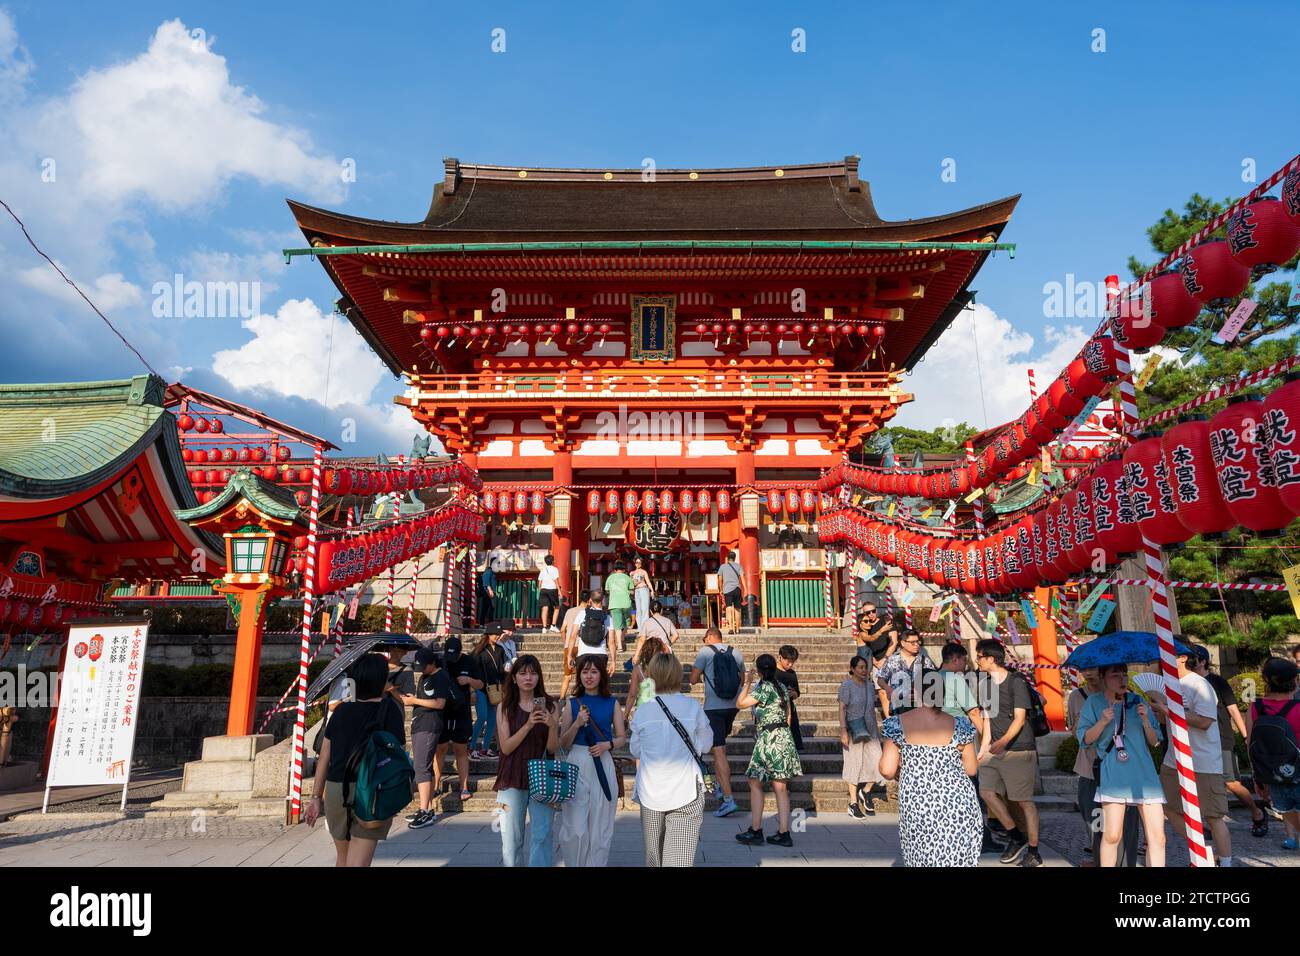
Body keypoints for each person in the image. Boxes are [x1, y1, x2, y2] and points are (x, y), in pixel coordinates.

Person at [306, 653, 406, 867]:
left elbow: (325, 756)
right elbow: (397, 752)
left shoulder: (342, 711)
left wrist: (315, 797)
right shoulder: (389, 710)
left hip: (335, 789)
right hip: (370, 790)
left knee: (343, 859)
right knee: (358, 862)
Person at [878, 670, 982, 867]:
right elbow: (971, 770)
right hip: (958, 802)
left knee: (921, 857)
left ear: (916, 692)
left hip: (919, 803)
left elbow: (887, 770)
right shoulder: (960, 724)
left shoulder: (897, 724)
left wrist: (907, 770)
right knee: (956, 858)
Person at [1148, 647, 1233, 866]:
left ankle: (1225, 862)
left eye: (1167, 654)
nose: (1161, 660)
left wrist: (1169, 711)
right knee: (1166, 805)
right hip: (1172, 759)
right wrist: (1158, 711)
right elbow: (1166, 723)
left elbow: (1205, 722)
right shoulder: (1167, 684)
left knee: (1213, 815)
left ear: (1183, 657)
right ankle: (1204, 851)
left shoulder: (1199, 684)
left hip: (1202, 760)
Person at [630, 653, 714, 867]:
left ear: (652, 676)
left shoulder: (643, 710)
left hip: (651, 791)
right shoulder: (693, 707)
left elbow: (635, 749)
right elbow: (705, 745)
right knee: (679, 861)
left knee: (654, 858)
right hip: (686, 789)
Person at [1078, 664, 1165, 867]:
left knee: (1158, 837)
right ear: (1103, 678)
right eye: (1115, 675)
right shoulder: (1094, 702)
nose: (1122, 679)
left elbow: (1155, 741)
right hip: (1114, 774)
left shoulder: (1137, 701)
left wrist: (1145, 720)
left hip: (1144, 775)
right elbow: (1084, 740)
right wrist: (1101, 722)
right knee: (1112, 836)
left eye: (1124, 674)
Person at [973, 639, 1042, 867]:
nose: (977, 660)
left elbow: (1020, 718)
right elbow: (988, 718)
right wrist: (984, 748)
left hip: (1019, 749)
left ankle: (1033, 851)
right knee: (986, 792)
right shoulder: (985, 683)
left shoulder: (1016, 682)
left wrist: (1003, 741)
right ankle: (1015, 836)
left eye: (980, 656)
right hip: (995, 748)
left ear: (991, 659)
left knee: (1023, 801)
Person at [1065, 667, 1142, 865]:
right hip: (1091, 771)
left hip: (1122, 773)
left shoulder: (1131, 699)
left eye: (1092, 669)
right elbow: (1078, 734)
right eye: (1084, 669)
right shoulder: (1078, 697)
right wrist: (1088, 726)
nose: (1087, 673)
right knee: (1097, 827)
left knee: (1127, 830)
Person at [1190, 645, 1267, 836]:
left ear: (1203, 661)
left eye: (1194, 658)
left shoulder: (1218, 682)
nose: (1191, 662)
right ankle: (1206, 824)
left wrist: (1245, 736)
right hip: (1197, 740)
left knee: (1230, 782)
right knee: (1197, 782)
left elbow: (1233, 709)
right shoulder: (1187, 683)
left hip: (1222, 738)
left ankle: (1257, 812)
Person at [557, 656, 627, 867]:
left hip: (602, 761)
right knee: (575, 827)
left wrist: (608, 745)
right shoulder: (571, 704)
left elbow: (622, 737)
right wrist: (577, 724)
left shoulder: (612, 702)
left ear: (601, 675)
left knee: (600, 826)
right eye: (585, 672)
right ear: (578, 675)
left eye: (594, 671)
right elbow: (563, 742)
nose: (589, 676)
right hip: (577, 760)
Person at [493, 653, 561, 867]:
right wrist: (529, 725)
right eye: (522, 673)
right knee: (511, 841)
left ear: (539, 678)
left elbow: (552, 748)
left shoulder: (550, 706)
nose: (528, 678)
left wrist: (551, 726)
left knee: (542, 836)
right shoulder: (504, 707)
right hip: (511, 778)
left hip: (542, 779)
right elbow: (506, 747)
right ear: (514, 678)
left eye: (533, 673)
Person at [735, 655, 803, 847]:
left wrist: (747, 683)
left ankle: (756, 830)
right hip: (784, 737)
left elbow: (740, 703)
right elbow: (788, 716)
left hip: (769, 738)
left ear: (759, 671)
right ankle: (784, 832)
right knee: (781, 788)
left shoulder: (764, 688)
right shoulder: (781, 687)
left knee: (755, 782)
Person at [939, 642, 999, 852]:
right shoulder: (956, 680)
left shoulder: (930, 679)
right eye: (964, 660)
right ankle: (979, 838)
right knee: (971, 789)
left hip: (937, 743)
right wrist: (988, 738)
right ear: (955, 659)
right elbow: (973, 712)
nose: (966, 665)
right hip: (961, 741)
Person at [690, 627, 745, 817]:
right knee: (720, 746)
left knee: (719, 751)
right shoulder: (735, 651)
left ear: (711, 637)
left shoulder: (705, 652)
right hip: (733, 706)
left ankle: (728, 799)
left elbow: (693, 679)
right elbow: (742, 679)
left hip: (714, 708)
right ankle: (723, 787)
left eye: (704, 637)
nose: (704, 641)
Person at [1247, 657, 1300, 850]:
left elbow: (1250, 744)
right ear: (1294, 681)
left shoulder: (1256, 707)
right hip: (1298, 770)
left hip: (1272, 774)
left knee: (1288, 813)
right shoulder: (1298, 707)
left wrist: (1258, 778)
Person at [401, 646, 451, 829]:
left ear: (432, 663)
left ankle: (425, 811)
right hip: (419, 723)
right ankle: (427, 808)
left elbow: (439, 703)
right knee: (424, 767)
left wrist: (414, 701)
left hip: (429, 725)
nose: (421, 670)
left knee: (421, 766)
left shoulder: (441, 677)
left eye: (424, 666)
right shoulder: (425, 676)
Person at [436, 636, 483, 805]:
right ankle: (436, 785)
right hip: (442, 709)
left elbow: (480, 684)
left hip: (461, 710)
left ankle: (464, 786)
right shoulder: (440, 662)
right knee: (439, 748)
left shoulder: (469, 661)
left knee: (460, 749)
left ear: (460, 651)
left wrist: (469, 681)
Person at [839, 655, 884, 818]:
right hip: (853, 729)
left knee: (879, 761)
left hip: (870, 729)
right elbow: (842, 708)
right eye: (860, 667)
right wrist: (843, 729)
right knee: (854, 763)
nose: (864, 670)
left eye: (865, 667)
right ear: (852, 669)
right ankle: (852, 803)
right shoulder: (847, 686)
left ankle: (865, 792)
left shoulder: (870, 686)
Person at [874, 628, 937, 717]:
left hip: (919, 709)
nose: (916, 645)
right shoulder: (892, 660)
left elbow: (934, 681)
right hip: (898, 709)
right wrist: (887, 688)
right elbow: (880, 679)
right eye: (913, 642)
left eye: (918, 642)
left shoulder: (925, 661)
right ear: (903, 643)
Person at [470, 627, 509, 759]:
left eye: (498, 634)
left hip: (495, 689)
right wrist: (472, 689)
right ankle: (471, 747)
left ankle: (485, 748)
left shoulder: (500, 649)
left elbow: (502, 670)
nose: (497, 636)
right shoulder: (478, 651)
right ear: (488, 634)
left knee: (493, 720)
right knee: (482, 717)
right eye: (495, 634)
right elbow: (472, 670)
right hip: (480, 688)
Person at [625, 633, 671, 719]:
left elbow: (632, 694)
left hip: (643, 709)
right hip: (662, 709)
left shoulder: (637, 669)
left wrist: (625, 715)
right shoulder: (666, 667)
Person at [774, 645, 803, 752]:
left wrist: (793, 693)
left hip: (790, 709)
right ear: (780, 657)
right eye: (788, 661)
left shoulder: (792, 674)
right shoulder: (772, 672)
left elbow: (797, 693)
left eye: (793, 662)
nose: (790, 665)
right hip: (776, 711)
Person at [605, 561, 634, 653]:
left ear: (614, 569)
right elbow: (632, 591)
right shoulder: (627, 578)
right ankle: (621, 638)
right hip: (626, 604)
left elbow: (607, 591)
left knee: (617, 626)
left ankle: (620, 646)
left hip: (614, 604)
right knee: (627, 622)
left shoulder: (610, 578)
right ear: (624, 569)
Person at [718, 551, 744, 634]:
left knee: (728, 608)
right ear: (735, 558)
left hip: (727, 590)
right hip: (737, 589)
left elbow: (720, 580)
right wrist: (745, 589)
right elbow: (742, 578)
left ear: (727, 558)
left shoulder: (722, 567)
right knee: (737, 609)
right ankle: (738, 629)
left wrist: (721, 590)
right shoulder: (739, 566)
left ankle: (731, 628)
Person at [537, 553, 562, 634]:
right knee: (557, 607)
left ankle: (544, 628)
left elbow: (539, 582)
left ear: (545, 562)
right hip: (552, 589)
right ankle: (553, 626)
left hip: (543, 590)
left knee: (545, 608)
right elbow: (556, 581)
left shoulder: (543, 570)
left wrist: (540, 589)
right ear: (553, 561)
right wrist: (559, 591)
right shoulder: (555, 569)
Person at [630, 556, 654, 633]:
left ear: (641, 564)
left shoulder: (644, 572)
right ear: (634, 563)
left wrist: (652, 590)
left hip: (644, 589)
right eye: (637, 562)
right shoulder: (632, 573)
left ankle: (645, 628)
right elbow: (630, 584)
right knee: (638, 610)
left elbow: (648, 581)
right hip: (636, 591)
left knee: (645, 609)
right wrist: (633, 585)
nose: (638, 564)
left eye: (639, 562)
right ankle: (640, 628)